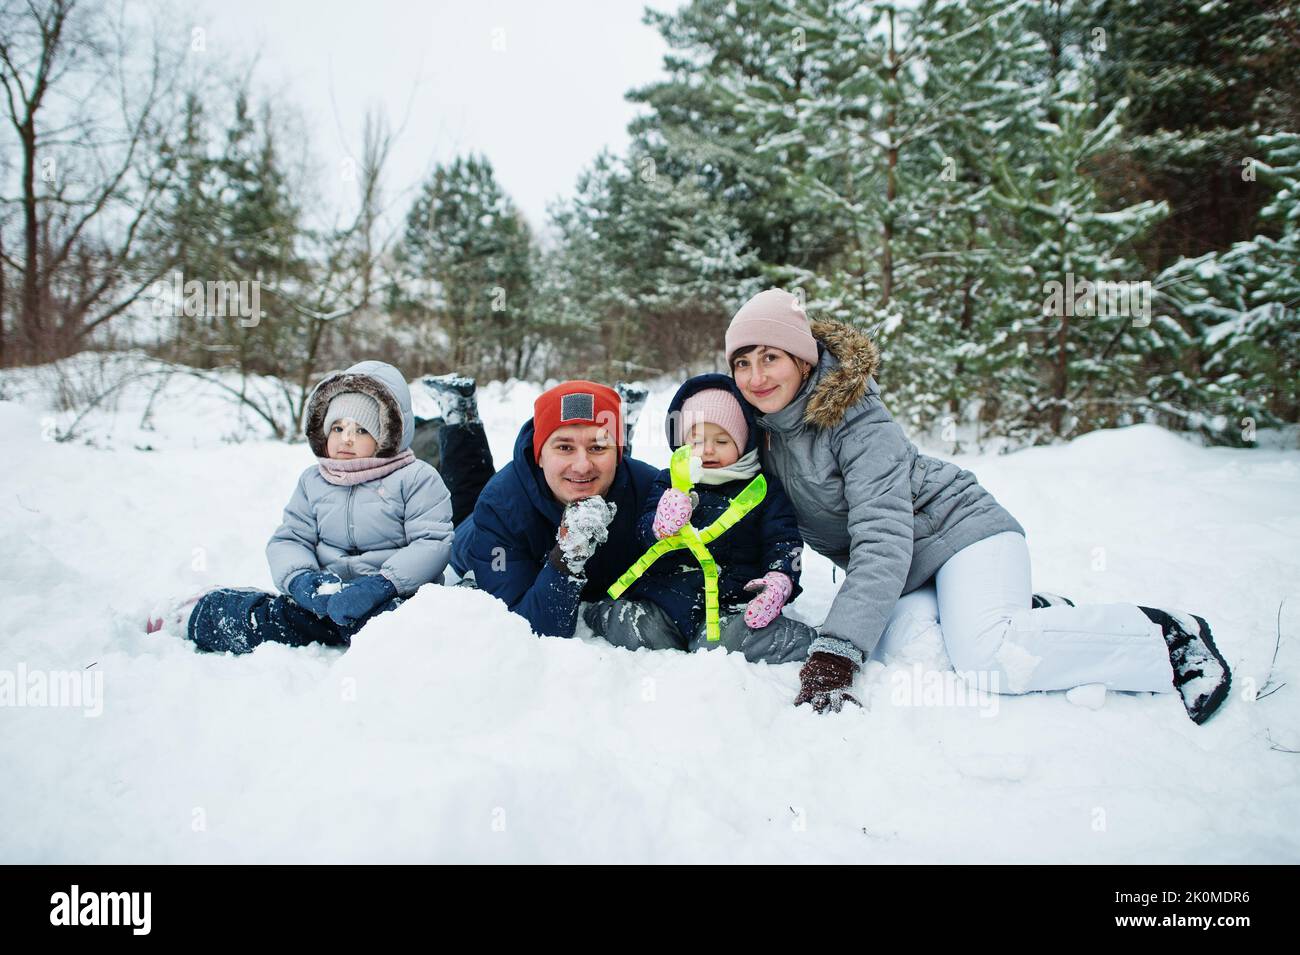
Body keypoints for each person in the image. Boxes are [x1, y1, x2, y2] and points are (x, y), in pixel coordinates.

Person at [724, 288, 1232, 721]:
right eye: (742, 363)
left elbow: (882, 537)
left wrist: (836, 654)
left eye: (771, 357)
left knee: (989, 657)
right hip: (909, 570)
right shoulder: (765, 435)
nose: (756, 376)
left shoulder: (856, 419)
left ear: (803, 359)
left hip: (965, 533)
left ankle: (1163, 637)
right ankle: (1028, 613)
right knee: (909, 648)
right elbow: (722, 489)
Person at [150, 360, 454, 654]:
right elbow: (291, 538)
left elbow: (432, 543)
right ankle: (201, 612)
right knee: (267, 622)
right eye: (337, 428)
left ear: (388, 435)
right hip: (324, 600)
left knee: (401, 633)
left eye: (361, 430)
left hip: (390, 599)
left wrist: (383, 584)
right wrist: (302, 580)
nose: (346, 439)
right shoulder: (314, 481)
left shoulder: (416, 478)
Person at [584, 374, 812, 663]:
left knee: (722, 644)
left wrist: (780, 579)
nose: (707, 450)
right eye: (697, 440)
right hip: (666, 599)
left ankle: (804, 640)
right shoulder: (670, 482)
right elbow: (641, 535)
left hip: (731, 603)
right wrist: (658, 525)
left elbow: (784, 542)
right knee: (643, 629)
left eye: (722, 440)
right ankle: (600, 613)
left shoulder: (762, 489)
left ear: (743, 442)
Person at [446, 380, 660, 639]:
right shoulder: (500, 507)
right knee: (469, 496)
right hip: (479, 532)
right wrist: (567, 557)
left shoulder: (650, 488)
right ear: (539, 455)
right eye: (564, 447)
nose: (581, 465)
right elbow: (522, 628)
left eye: (598, 446)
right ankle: (461, 418)